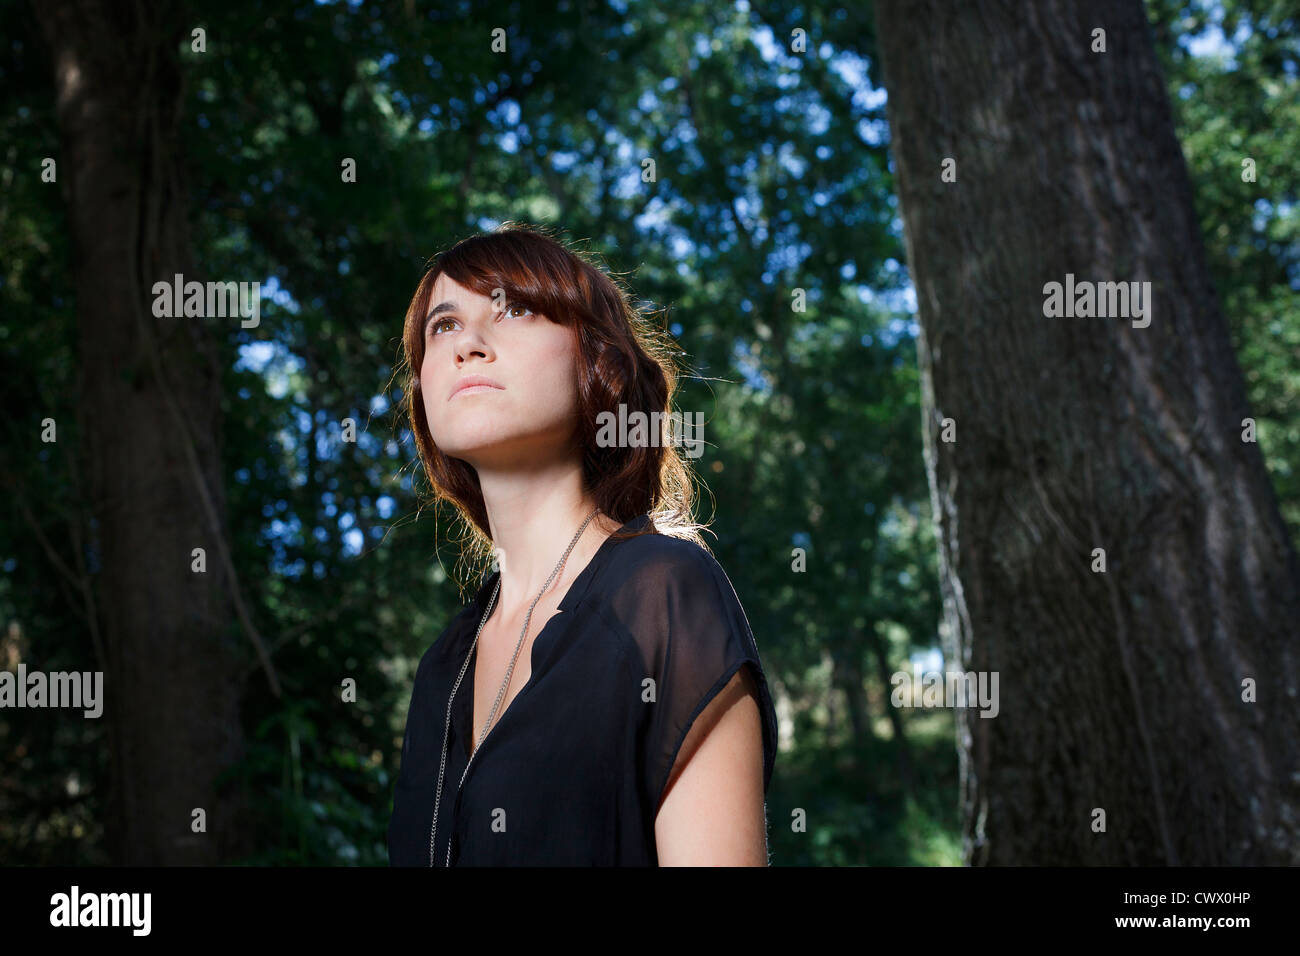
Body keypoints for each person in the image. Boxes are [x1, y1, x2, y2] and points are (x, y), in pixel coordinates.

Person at [386, 222, 779, 866]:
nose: (468, 345)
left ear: (598, 364)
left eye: (513, 309)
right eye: (443, 325)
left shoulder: (666, 596)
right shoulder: (443, 667)